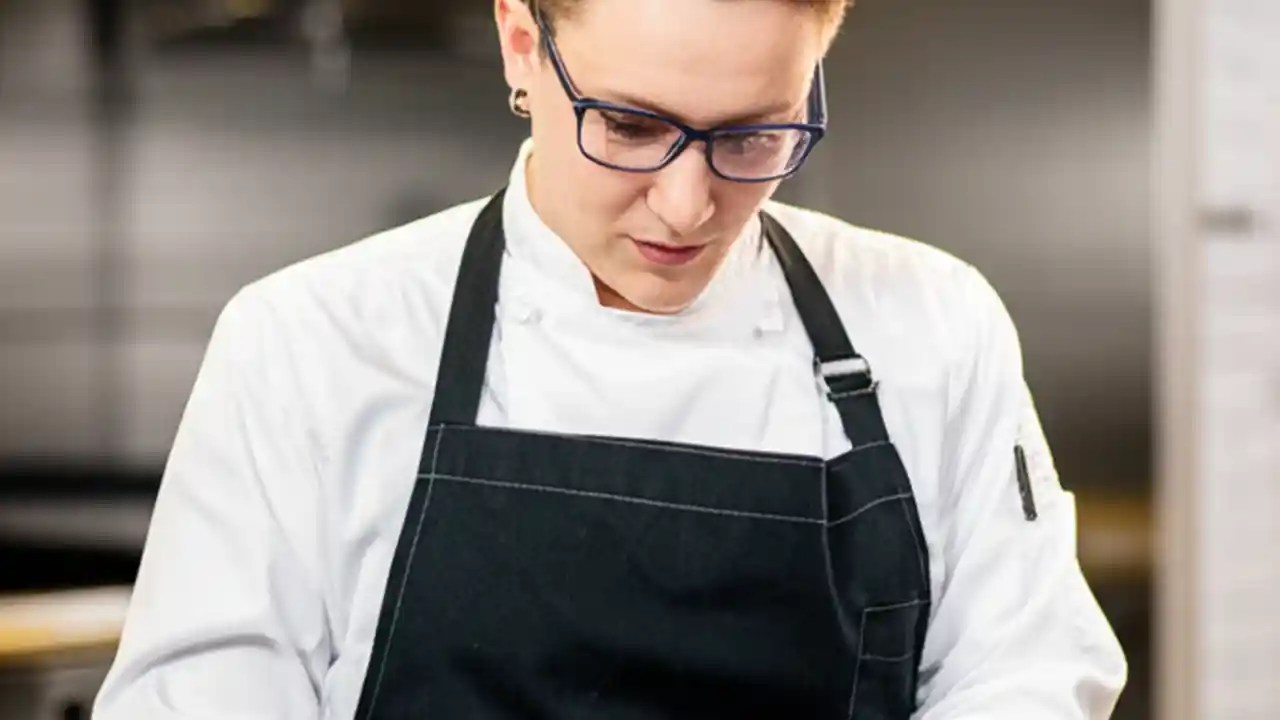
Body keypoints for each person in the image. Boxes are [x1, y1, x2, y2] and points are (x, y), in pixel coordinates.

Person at [93, 0, 1127, 717]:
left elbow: (1025, 668)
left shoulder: (931, 324)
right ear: (518, 43)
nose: (687, 206)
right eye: (629, 125)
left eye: (754, 137)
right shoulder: (309, 342)